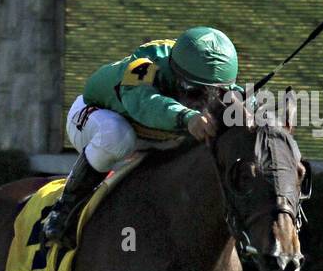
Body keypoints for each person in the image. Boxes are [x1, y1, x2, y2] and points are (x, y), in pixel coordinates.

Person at [41, 27, 239, 246]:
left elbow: (240, 105)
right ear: (176, 73)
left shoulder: (209, 78)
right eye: (195, 91)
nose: (204, 100)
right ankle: (64, 209)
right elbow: (143, 103)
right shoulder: (144, 63)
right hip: (94, 118)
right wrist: (187, 117)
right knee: (117, 135)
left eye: (213, 92)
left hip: (149, 139)